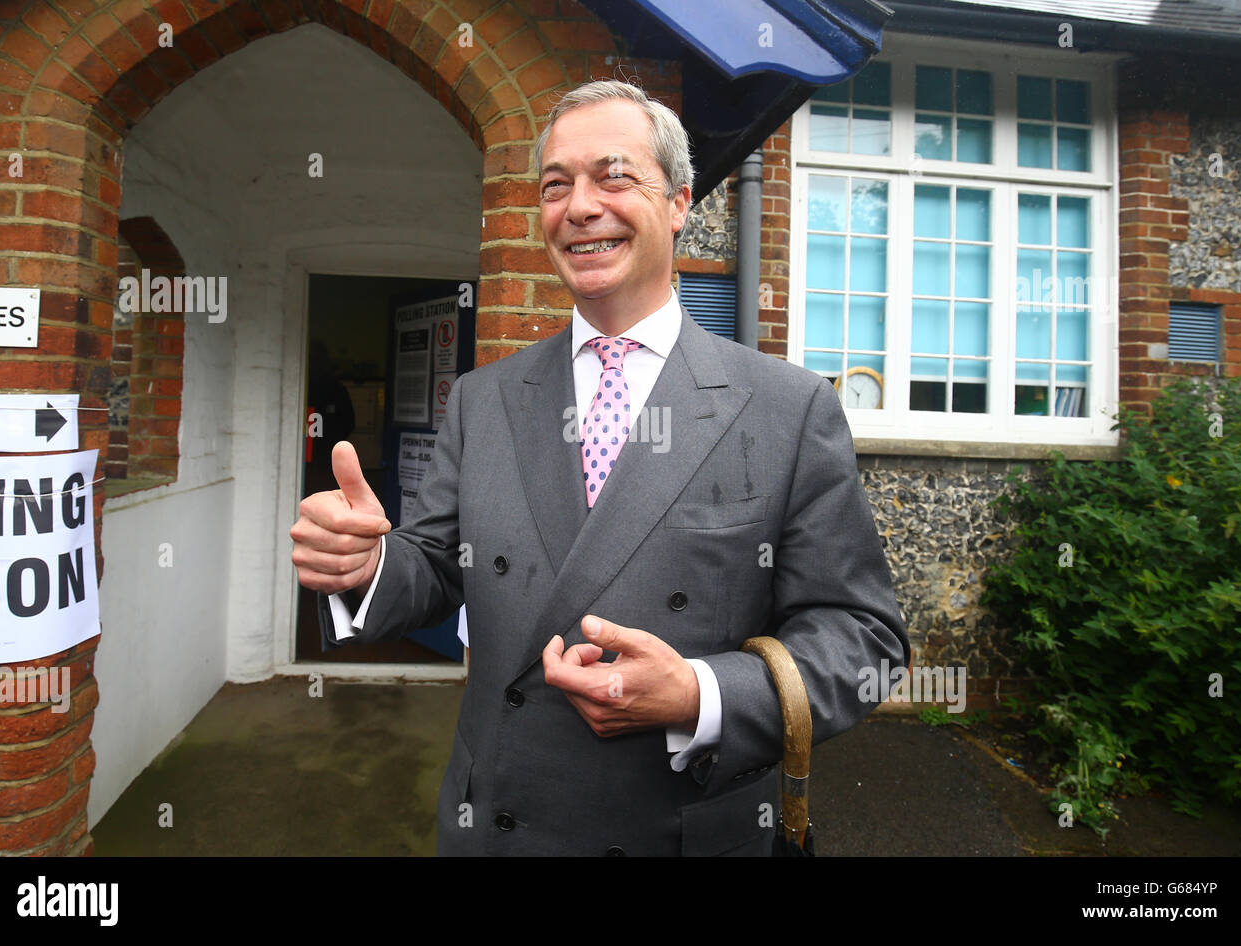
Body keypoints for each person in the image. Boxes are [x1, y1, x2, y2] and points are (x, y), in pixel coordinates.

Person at [290, 80, 908, 856]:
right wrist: (368, 563)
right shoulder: (484, 400)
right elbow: (440, 565)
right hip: (499, 825)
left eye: (613, 175)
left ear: (681, 202)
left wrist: (699, 693)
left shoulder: (786, 408)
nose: (579, 206)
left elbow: (864, 641)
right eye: (556, 185)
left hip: (683, 831)